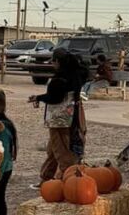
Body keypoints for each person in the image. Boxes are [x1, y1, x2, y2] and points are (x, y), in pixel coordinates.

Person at [29, 48, 89, 180]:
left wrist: (39, 98)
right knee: (53, 149)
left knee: (61, 150)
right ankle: (47, 176)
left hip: (59, 119)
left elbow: (55, 98)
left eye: (54, 61)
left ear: (57, 61)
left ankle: (69, 178)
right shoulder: (77, 74)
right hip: (74, 115)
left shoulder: (60, 78)